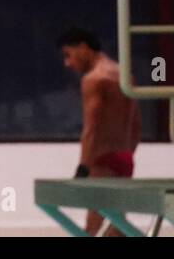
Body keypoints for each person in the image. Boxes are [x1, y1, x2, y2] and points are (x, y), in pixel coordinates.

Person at [57, 27, 141, 237]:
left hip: (101, 158)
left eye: (68, 55)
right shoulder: (124, 75)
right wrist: (127, 154)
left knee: (94, 225)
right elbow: (136, 124)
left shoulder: (94, 80)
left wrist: (83, 167)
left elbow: (91, 127)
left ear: (83, 47)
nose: (67, 63)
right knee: (116, 223)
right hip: (124, 157)